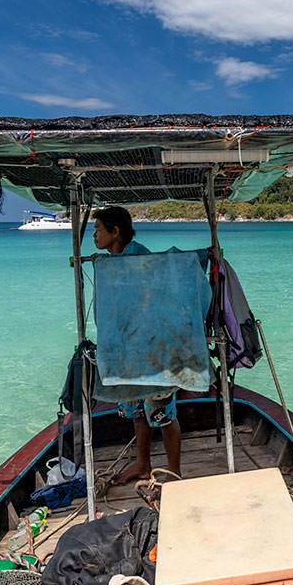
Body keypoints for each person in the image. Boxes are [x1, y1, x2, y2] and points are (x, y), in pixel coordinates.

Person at [92, 205, 182, 484]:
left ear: (115, 231)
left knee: (162, 411)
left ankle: (174, 473)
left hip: (154, 350)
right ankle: (143, 464)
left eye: (98, 230)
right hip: (126, 349)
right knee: (134, 408)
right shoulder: (108, 263)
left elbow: (157, 303)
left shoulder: (140, 258)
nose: (93, 236)